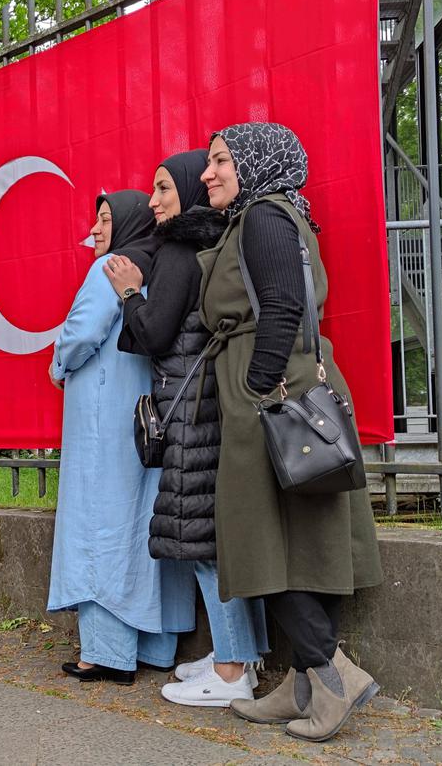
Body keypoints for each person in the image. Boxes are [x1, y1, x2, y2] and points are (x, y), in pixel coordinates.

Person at [196, 122, 383, 741]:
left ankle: (332, 677)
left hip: (272, 390)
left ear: (253, 164)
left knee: (262, 539)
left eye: (221, 160)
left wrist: (254, 386)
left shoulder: (264, 217)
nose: (208, 173)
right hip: (282, 386)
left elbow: (282, 306)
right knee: (299, 542)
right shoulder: (261, 216)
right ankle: (302, 685)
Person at [103, 150, 269, 707]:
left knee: (204, 544)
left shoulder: (179, 250)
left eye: (164, 190)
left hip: (191, 411)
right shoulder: (218, 239)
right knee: (222, 538)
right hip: (216, 405)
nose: (154, 202)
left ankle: (230, 672)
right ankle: (239, 653)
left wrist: (130, 294)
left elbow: (153, 332)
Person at [46, 190, 192, 686]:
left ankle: (107, 653)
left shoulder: (109, 268)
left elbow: (82, 334)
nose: (95, 230)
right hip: (147, 417)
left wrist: (57, 364)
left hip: (103, 418)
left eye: (106, 219)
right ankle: (155, 647)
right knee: (143, 521)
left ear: (126, 224)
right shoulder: (158, 269)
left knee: (101, 523)